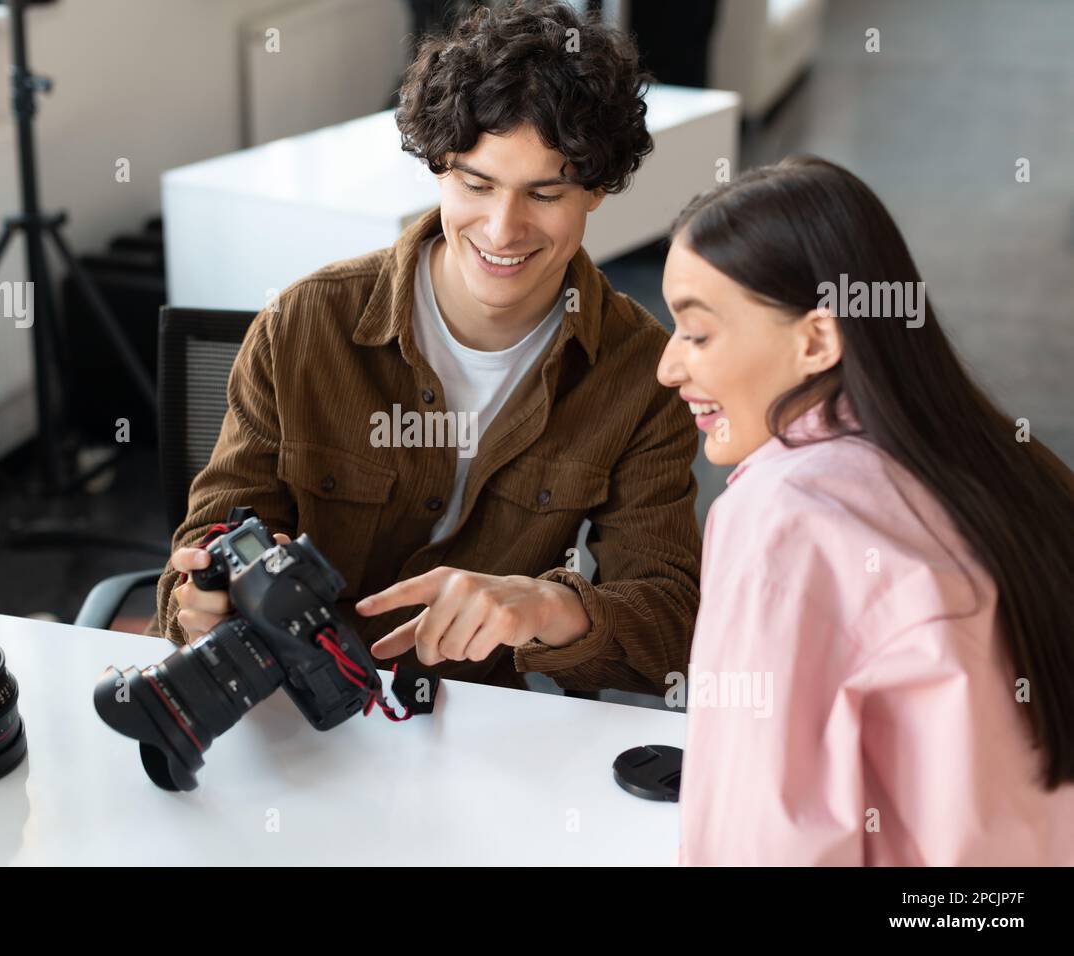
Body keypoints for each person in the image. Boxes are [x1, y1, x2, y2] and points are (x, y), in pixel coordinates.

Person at [149, 0, 701, 693]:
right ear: (437, 167)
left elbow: (669, 626)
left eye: (545, 192)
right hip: (295, 708)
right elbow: (194, 566)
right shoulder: (302, 323)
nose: (504, 229)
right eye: (477, 184)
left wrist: (551, 606)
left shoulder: (641, 375)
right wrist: (201, 601)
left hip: (478, 722)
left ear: (596, 190)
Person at [659, 155, 1074, 864]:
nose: (669, 366)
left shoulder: (785, 521)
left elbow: (766, 843)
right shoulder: (1012, 469)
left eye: (697, 334)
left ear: (816, 340)